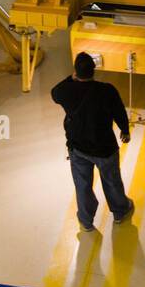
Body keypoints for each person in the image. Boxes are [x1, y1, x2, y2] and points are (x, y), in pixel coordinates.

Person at [51, 52, 134, 233]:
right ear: (93, 70)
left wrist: (70, 79)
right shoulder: (107, 90)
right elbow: (119, 112)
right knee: (112, 180)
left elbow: (54, 93)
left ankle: (86, 220)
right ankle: (120, 211)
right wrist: (125, 131)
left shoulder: (67, 91)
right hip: (104, 148)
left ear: (75, 71)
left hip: (78, 148)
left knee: (82, 185)